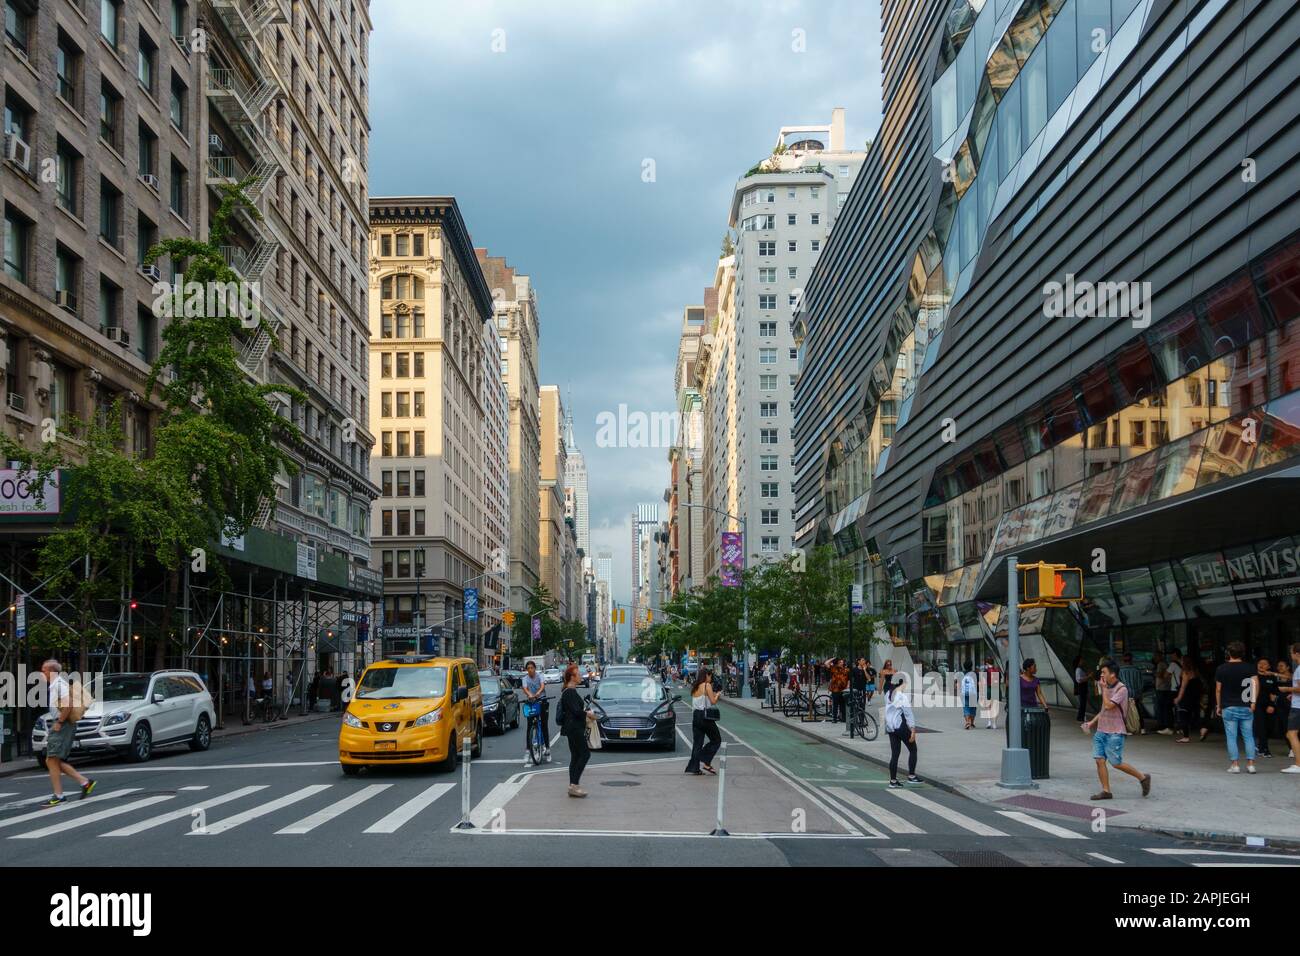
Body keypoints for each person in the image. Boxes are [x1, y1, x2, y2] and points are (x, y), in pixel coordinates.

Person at [1084, 659, 1151, 800]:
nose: (1101, 675)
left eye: (1104, 672)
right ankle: (1106, 791)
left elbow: (1109, 705)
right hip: (1101, 730)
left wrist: (1103, 689)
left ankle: (1143, 777)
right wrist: (1091, 723)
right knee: (1099, 760)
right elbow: (1103, 709)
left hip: (1115, 732)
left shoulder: (1122, 689)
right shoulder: (1106, 687)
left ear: (1112, 674)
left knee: (1116, 763)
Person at [38, 660, 96, 807]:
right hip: (62, 724)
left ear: (51, 671)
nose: (41, 673)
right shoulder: (56, 685)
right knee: (53, 760)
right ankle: (85, 782)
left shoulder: (58, 685)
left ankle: (59, 795)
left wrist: (59, 722)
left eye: (43, 670)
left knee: (52, 759)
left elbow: (68, 705)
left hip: (62, 725)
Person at [1215, 640, 1259, 774]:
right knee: (1249, 736)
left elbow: (1218, 689)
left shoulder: (1221, 668)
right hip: (1246, 706)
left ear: (1229, 653)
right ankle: (1251, 764)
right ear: (1243, 653)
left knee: (1231, 737)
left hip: (1228, 706)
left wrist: (1219, 705)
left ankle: (1235, 765)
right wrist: (1253, 703)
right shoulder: (1250, 667)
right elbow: (1255, 685)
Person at [557, 664, 592, 797]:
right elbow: (576, 712)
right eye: (578, 674)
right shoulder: (570, 692)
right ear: (572, 677)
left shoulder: (570, 691)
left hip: (572, 728)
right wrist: (589, 714)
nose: (580, 676)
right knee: (585, 754)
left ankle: (573, 785)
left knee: (576, 756)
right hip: (574, 728)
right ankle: (574, 785)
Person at [883, 675, 920, 788]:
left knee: (895, 754)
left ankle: (893, 781)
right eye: (905, 685)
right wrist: (913, 730)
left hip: (890, 728)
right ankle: (912, 776)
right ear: (902, 684)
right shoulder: (901, 696)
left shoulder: (888, 694)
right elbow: (908, 714)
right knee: (913, 749)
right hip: (900, 726)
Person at [684, 666, 722, 776]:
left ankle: (694, 768)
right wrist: (718, 695)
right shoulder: (707, 685)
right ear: (706, 676)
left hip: (696, 716)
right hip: (705, 717)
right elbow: (713, 701)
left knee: (697, 743)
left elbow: (702, 699)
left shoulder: (695, 687)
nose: (710, 678)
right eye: (710, 675)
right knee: (716, 739)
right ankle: (705, 760)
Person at [520, 660, 552, 766]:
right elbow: (525, 688)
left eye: (532, 668)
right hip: (531, 702)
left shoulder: (540, 676)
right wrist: (529, 694)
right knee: (530, 726)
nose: (530, 670)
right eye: (528, 668)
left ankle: (547, 749)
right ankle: (528, 750)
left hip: (542, 700)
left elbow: (542, 685)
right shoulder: (525, 679)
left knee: (544, 725)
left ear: (535, 668)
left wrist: (538, 693)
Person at [1276, 644, 1300, 773]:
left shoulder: (1299, 669)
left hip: (1298, 707)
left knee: (1291, 734)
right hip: (1297, 703)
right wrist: (1293, 693)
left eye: (1291, 653)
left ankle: (1298, 764)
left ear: (1297, 654)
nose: (1291, 655)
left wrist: (1286, 689)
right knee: (1291, 734)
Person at [1174, 653, 1208, 743]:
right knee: (1195, 716)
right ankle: (1203, 728)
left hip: (1186, 697)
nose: (1180, 661)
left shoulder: (1185, 672)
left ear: (1184, 662)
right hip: (1195, 697)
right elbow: (1202, 683)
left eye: (1181, 660)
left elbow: (1183, 687)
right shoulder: (1195, 671)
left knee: (1183, 716)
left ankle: (1185, 736)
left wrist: (1178, 698)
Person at [1252, 657, 1279, 758]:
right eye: (1260, 663)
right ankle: (1265, 749)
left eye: (1264, 663)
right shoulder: (1254, 676)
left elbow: (1275, 693)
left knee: (1268, 727)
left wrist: (1272, 705)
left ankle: (1260, 746)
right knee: (1261, 726)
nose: (1262, 665)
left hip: (1268, 705)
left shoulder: (1272, 677)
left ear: (1269, 666)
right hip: (1256, 704)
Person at [1118, 653, 1148, 734]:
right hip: (1136, 694)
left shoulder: (1120, 671)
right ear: (1131, 660)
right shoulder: (1137, 670)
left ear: (1123, 660)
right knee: (1138, 710)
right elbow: (1141, 683)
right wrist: (1139, 693)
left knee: (1125, 712)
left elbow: (1119, 683)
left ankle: (1128, 729)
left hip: (1125, 694)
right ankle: (1142, 728)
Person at [1156, 652, 1181, 734]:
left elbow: (1165, 675)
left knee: (1168, 707)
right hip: (1181, 688)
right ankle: (1180, 727)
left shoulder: (1173, 664)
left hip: (1174, 689)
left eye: (1172, 655)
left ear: (1176, 655)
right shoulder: (1182, 663)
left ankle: (1169, 727)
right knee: (1179, 708)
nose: (1170, 657)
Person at [828, 657, 849, 723]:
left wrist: (848, 686)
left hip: (843, 689)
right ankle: (834, 719)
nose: (841, 663)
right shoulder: (834, 668)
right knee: (835, 705)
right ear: (837, 663)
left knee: (843, 705)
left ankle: (843, 718)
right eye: (840, 662)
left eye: (842, 662)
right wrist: (833, 658)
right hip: (835, 689)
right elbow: (826, 663)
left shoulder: (846, 670)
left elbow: (848, 679)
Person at [984, 657, 1002, 729]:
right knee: (995, 706)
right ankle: (994, 723)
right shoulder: (997, 670)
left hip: (988, 688)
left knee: (989, 706)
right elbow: (999, 680)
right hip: (996, 688)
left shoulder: (985, 670)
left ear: (987, 663)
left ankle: (989, 722)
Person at [960, 660, 978, 730]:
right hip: (974, 693)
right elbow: (979, 683)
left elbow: (957, 684)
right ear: (971, 666)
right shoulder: (975, 673)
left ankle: (967, 722)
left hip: (964, 693)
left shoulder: (961, 674)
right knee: (973, 707)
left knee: (966, 706)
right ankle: (972, 723)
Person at [1073, 655, 1090, 723]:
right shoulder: (1078, 669)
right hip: (1081, 689)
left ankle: (1081, 717)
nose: (1082, 661)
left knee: (1083, 703)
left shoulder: (1080, 669)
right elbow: (1079, 680)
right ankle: (1080, 717)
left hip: (1083, 688)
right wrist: (1088, 677)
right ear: (1079, 661)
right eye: (1081, 660)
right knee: (1082, 703)